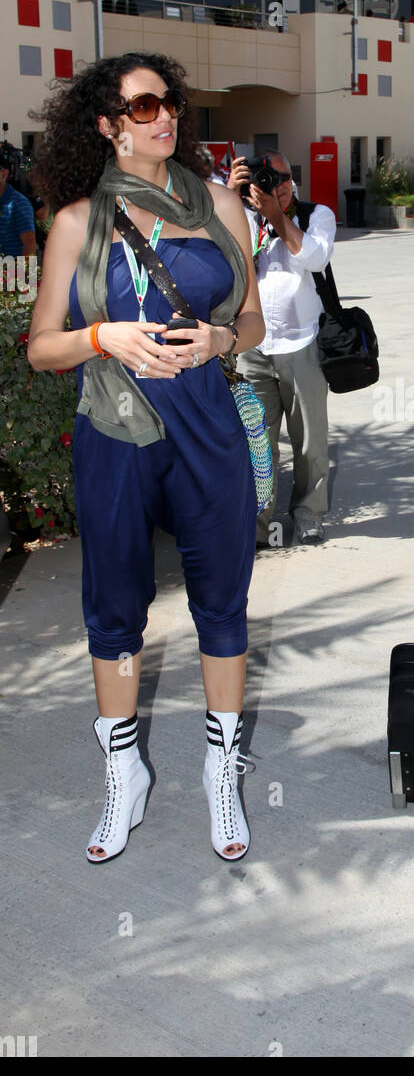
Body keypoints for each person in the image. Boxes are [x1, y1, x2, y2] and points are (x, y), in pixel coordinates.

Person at [28, 51, 265, 864]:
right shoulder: (74, 224)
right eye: (142, 107)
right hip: (116, 436)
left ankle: (220, 774)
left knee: (222, 603)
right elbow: (41, 350)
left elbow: (257, 320)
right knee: (115, 608)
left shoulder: (224, 208)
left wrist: (222, 337)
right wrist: (104, 335)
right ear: (106, 124)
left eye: (169, 105)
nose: (164, 118)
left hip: (208, 430)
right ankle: (124, 777)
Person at [227, 152, 335, 546]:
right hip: (252, 347)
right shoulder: (240, 215)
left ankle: (308, 514)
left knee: (310, 439)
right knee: (258, 440)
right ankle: (258, 525)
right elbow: (216, 253)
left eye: (285, 176)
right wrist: (227, 195)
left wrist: (276, 217)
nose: (279, 183)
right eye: (267, 177)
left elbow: (316, 257)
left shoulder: (315, 215)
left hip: (302, 342)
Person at [0, 159, 36, 258]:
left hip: (12, 271)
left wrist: (20, 273)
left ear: (4, 174)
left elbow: (30, 245)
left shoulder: (19, 203)